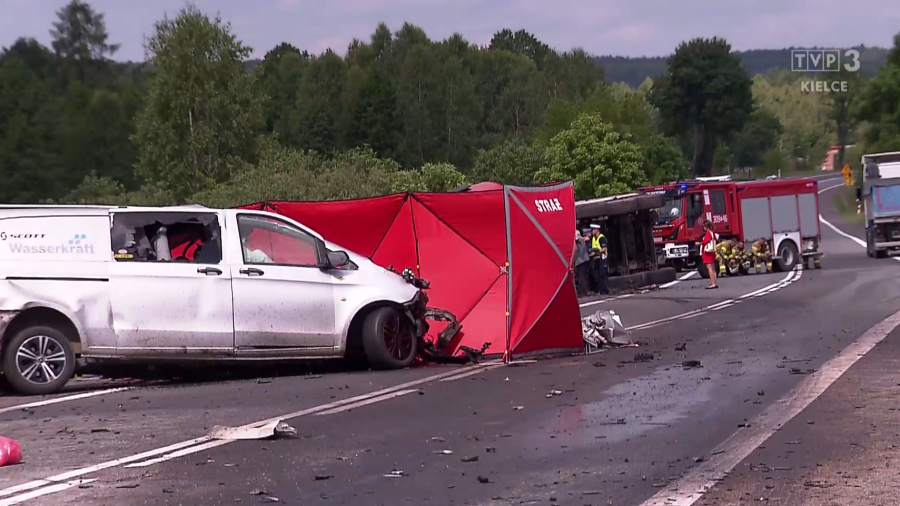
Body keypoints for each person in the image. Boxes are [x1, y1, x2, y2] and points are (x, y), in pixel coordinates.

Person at [590, 225, 609, 295]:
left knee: (602, 274)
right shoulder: (594, 239)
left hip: (602, 258)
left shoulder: (601, 238)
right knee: (596, 275)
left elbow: (604, 249)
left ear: (597, 230)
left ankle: (605, 291)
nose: (592, 232)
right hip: (596, 259)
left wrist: (597, 251)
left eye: (593, 230)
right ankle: (600, 291)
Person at [700, 220, 718, 289]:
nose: (703, 227)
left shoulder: (708, 233)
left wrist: (699, 243)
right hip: (712, 252)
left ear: (706, 226)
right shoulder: (712, 233)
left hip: (707, 252)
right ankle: (715, 282)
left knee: (709, 268)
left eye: (704, 226)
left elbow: (705, 242)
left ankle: (713, 283)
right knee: (713, 268)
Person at [574, 229, 592, 297]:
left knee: (581, 277)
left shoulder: (577, 242)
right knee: (584, 276)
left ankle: (583, 292)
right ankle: (584, 291)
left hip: (579, 261)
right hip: (585, 259)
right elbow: (586, 238)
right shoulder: (583, 240)